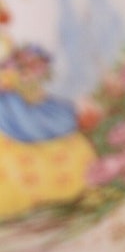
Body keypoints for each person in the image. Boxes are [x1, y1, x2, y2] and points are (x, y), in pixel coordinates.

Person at [0, 29, 96, 221]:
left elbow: (17, 71)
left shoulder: (7, 43)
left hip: (16, 102)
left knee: (50, 115)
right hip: (9, 110)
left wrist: (20, 77)